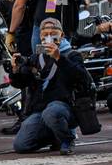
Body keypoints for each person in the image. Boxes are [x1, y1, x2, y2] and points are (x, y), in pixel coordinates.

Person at [11, 18, 92, 155]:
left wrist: (59, 58)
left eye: (53, 33)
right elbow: (20, 83)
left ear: (62, 35)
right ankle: (55, 136)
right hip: (41, 110)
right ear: (40, 36)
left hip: (67, 108)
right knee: (21, 145)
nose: (49, 37)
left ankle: (67, 138)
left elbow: (82, 78)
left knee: (52, 111)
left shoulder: (72, 55)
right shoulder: (36, 58)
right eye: (45, 34)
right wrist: (15, 70)